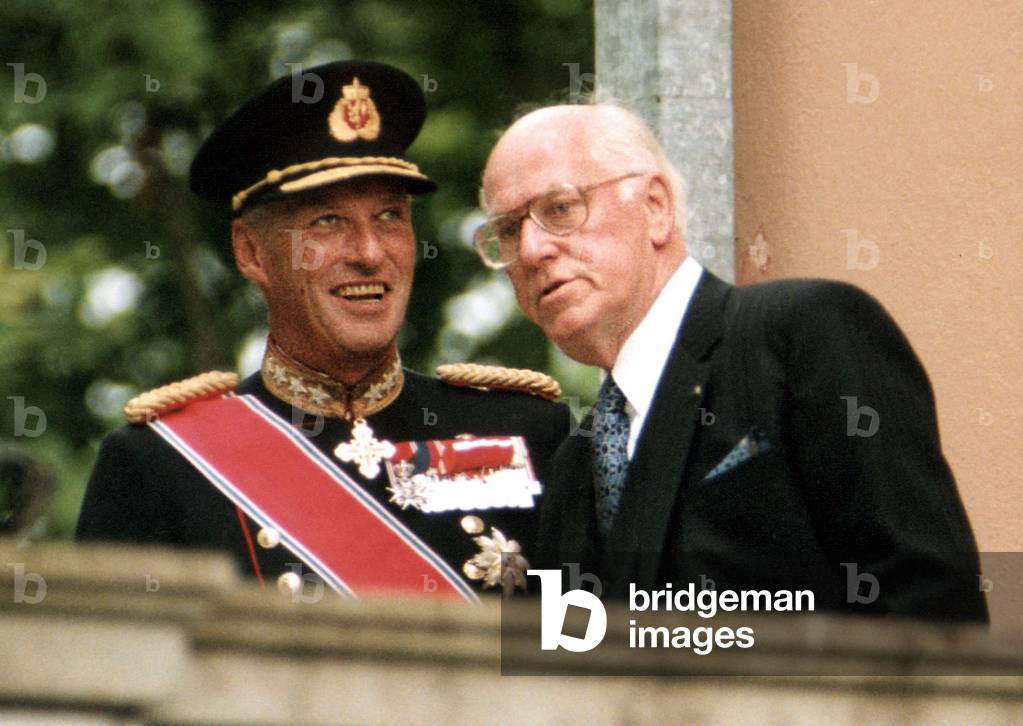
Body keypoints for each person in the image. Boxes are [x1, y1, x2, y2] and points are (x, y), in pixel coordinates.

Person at [76, 61, 572, 603]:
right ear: (251, 251)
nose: (370, 253)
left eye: (389, 216)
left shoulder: (530, 430)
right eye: (328, 221)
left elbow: (581, 643)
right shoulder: (161, 464)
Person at [475, 103, 987, 621]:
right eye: (510, 231)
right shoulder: (574, 467)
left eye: (561, 208)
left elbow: (930, 603)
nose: (533, 249)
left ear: (655, 207)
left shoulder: (802, 335)